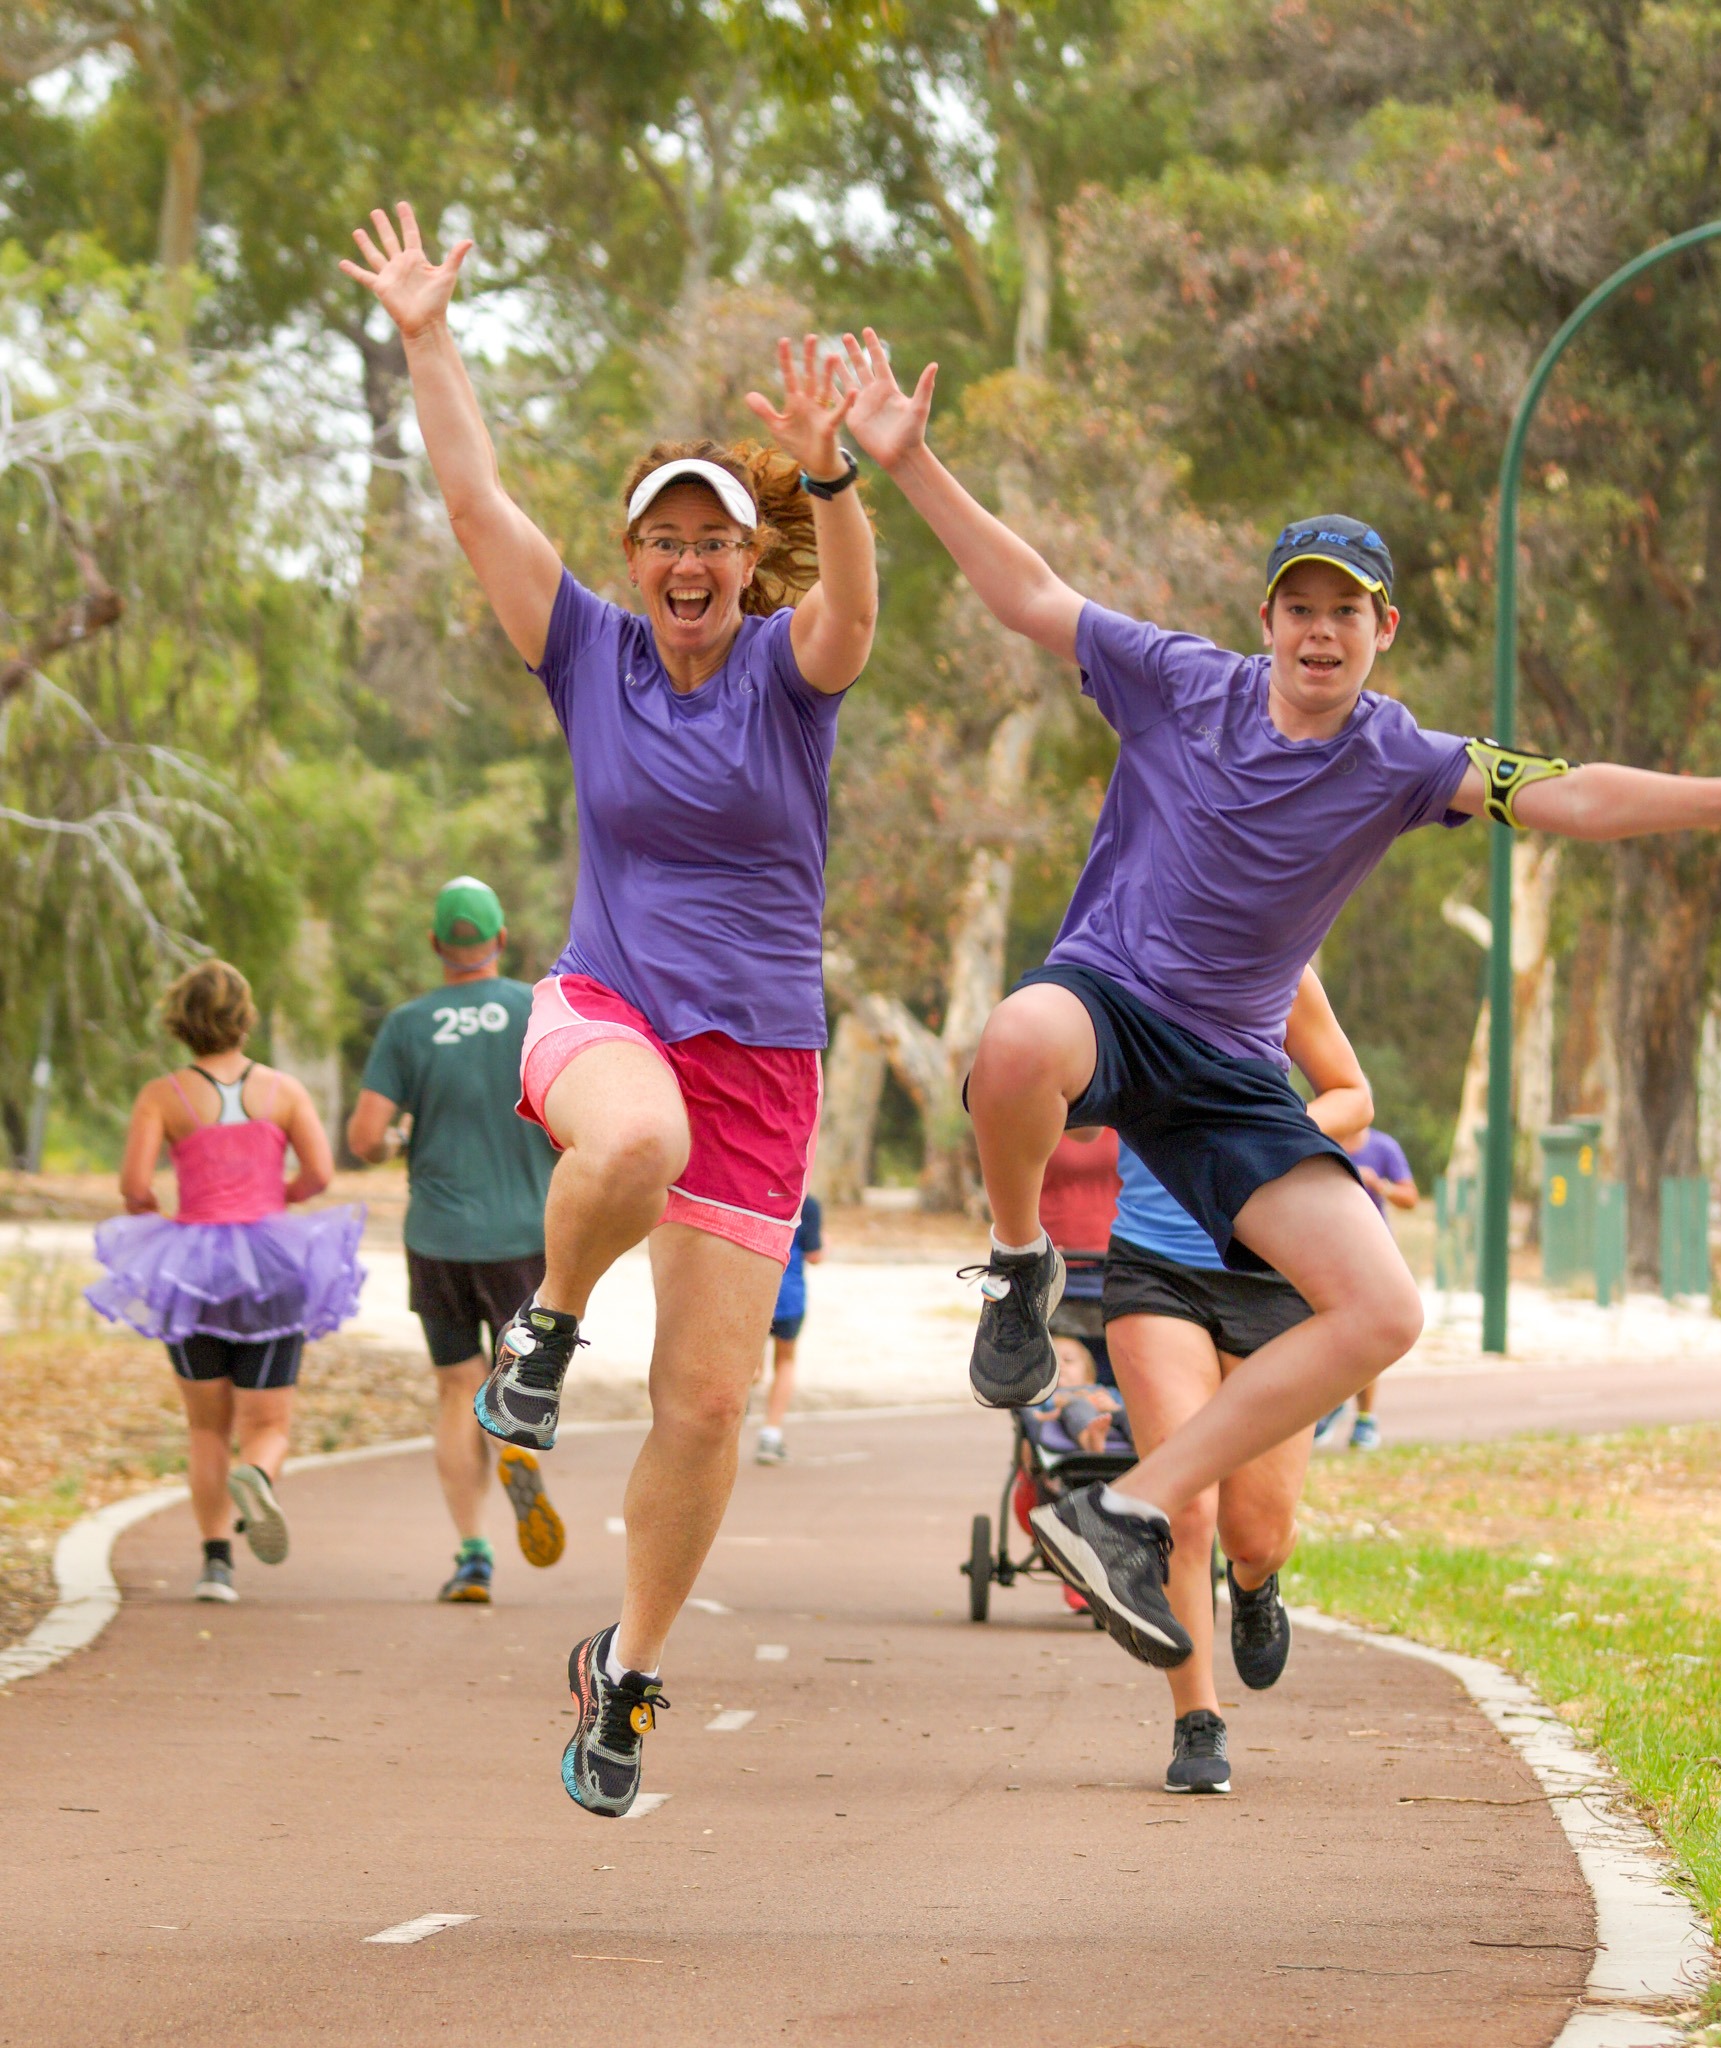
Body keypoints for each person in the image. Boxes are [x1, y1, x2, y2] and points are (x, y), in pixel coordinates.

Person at [837, 328, 1721, 1669]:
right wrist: (910, 467)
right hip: (1112, 998)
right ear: (1266, 622)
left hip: (1232, 1072)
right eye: (1300, 608)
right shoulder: (1177, 683)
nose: (1322, 632)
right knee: (1019, 1036)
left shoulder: (1404, 759)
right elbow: (1030, 594)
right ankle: (1023, 1264)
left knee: (1383, 1309)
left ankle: (1130, 1510)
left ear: (1384, 632)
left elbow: (1572, 794)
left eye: (1348, 612)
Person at [342, 204, 881, 1815]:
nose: (691, 561)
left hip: (767, 1056)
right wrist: (428, 337)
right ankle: (546, 1337)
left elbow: (855, 612)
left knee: (709, 1402)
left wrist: (837, 480)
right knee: (629, 1139)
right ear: (635, 557)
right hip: (602, 1007)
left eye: (716, 537)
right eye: (664, 536)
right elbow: (472, 500)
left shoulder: (794, 670)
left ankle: (625, 1677)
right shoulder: (584, 648)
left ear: (744, 557)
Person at [1103, 968, 1371, 1794]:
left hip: (1272, 1268)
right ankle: (1197, 1716)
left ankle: (1255, 1584)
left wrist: (1272, 1137)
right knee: (1185, 1506)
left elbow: (1353, 1099)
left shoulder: (1276, 965)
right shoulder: (1111, 968)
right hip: (1155, 1269)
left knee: (1253, 1534)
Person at [87, 962, 364, 1603]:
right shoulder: (285, 1091)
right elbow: (320, 1175)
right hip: (273, 1263)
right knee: (268, 1422)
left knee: (205, 1426)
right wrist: (276, 1199)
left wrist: (162, 1218)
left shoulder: (163, 1095)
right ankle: (258, 1476)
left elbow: (133, 1187)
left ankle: (216, 1565)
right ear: (246, 1017)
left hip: (192, 1270)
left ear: (180, 1020)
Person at [347, 876, 564, 1603]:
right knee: (511, 1376)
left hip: (436, 1233)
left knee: (453, 1387)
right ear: (500, 940)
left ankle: (473, 1555)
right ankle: (511, 1453)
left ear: (438, 944)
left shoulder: (408, 1025)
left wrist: (400, 1138)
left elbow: (365, 1137)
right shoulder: (538, 1008)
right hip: (522, 1234)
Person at [1316, 1121, 1420, 1451]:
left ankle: (1363, 1419)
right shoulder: (1320, 1139)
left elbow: (1410, 1197)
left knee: (1368, 1332)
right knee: (1324, 1332)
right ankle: (1328, 1403)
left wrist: (1380, 1186)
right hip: (1324, 1249)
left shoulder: (1383, 1147)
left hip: (1370, 1252)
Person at [1038, 1127, 1122, 1384]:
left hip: (1117, 1257)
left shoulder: (1128, 1108)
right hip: (1055, 1262)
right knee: (1060, 1372)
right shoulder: (1039, 1112)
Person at [755, 1193, 824, 1465]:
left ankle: (738, 1409)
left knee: (751, 1367)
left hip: (754, 1288)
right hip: (789, 1296)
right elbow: (815, 1255)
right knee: (785, 1361)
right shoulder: (808, 1204)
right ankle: (771, 1433)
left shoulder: (756, 1192)